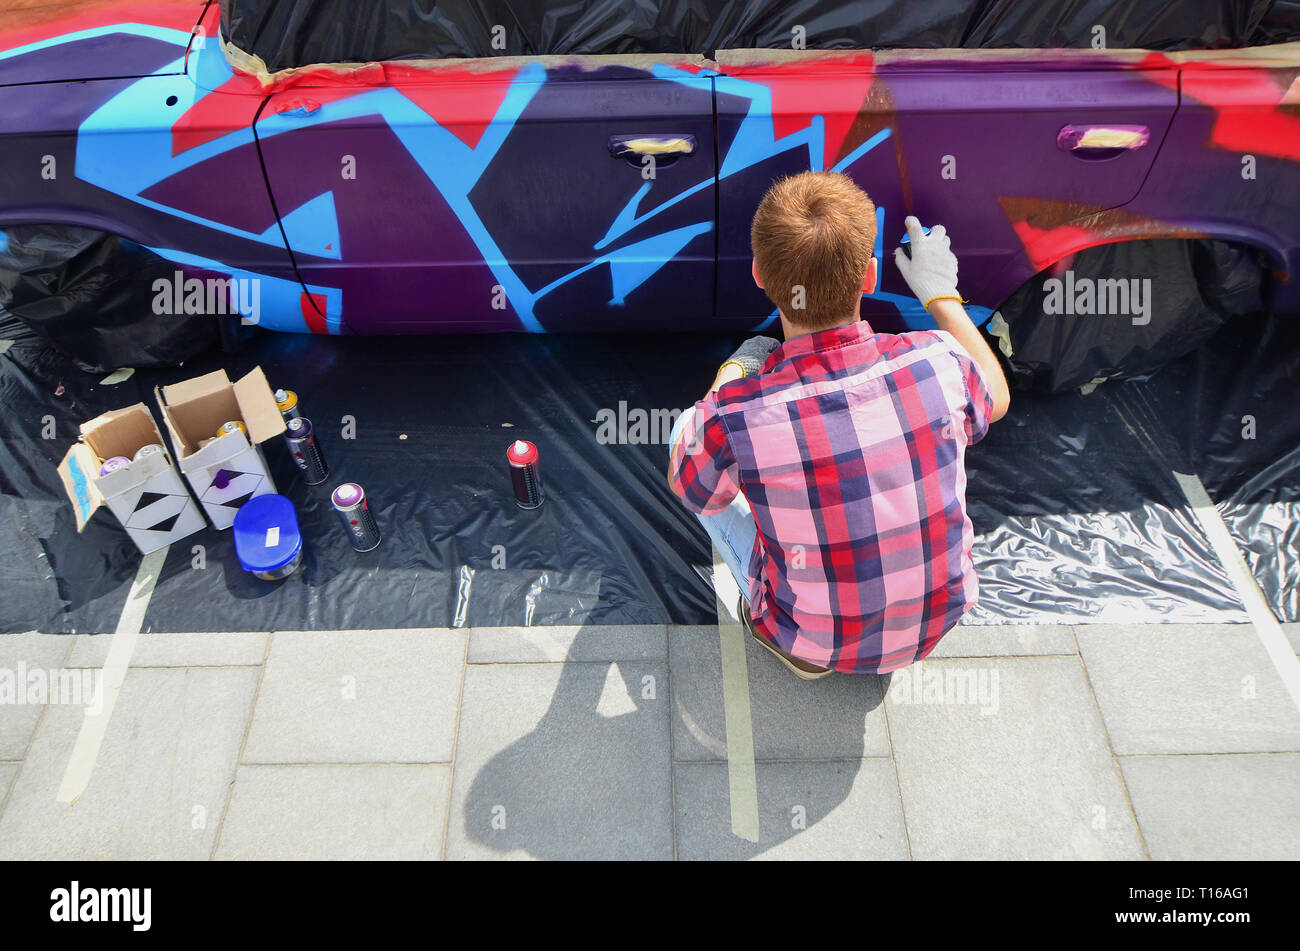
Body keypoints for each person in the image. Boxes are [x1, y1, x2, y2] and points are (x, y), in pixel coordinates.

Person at [667, 171, 1010, 679]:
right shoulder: (940, 361)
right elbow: (996, 397)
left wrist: (733, 376)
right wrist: (940, 293)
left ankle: (793, 649)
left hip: (816, 641)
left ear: (759, 274)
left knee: (684, 437)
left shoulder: (733, 416)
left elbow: (692, 487)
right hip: (938, 622)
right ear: (869, 276)